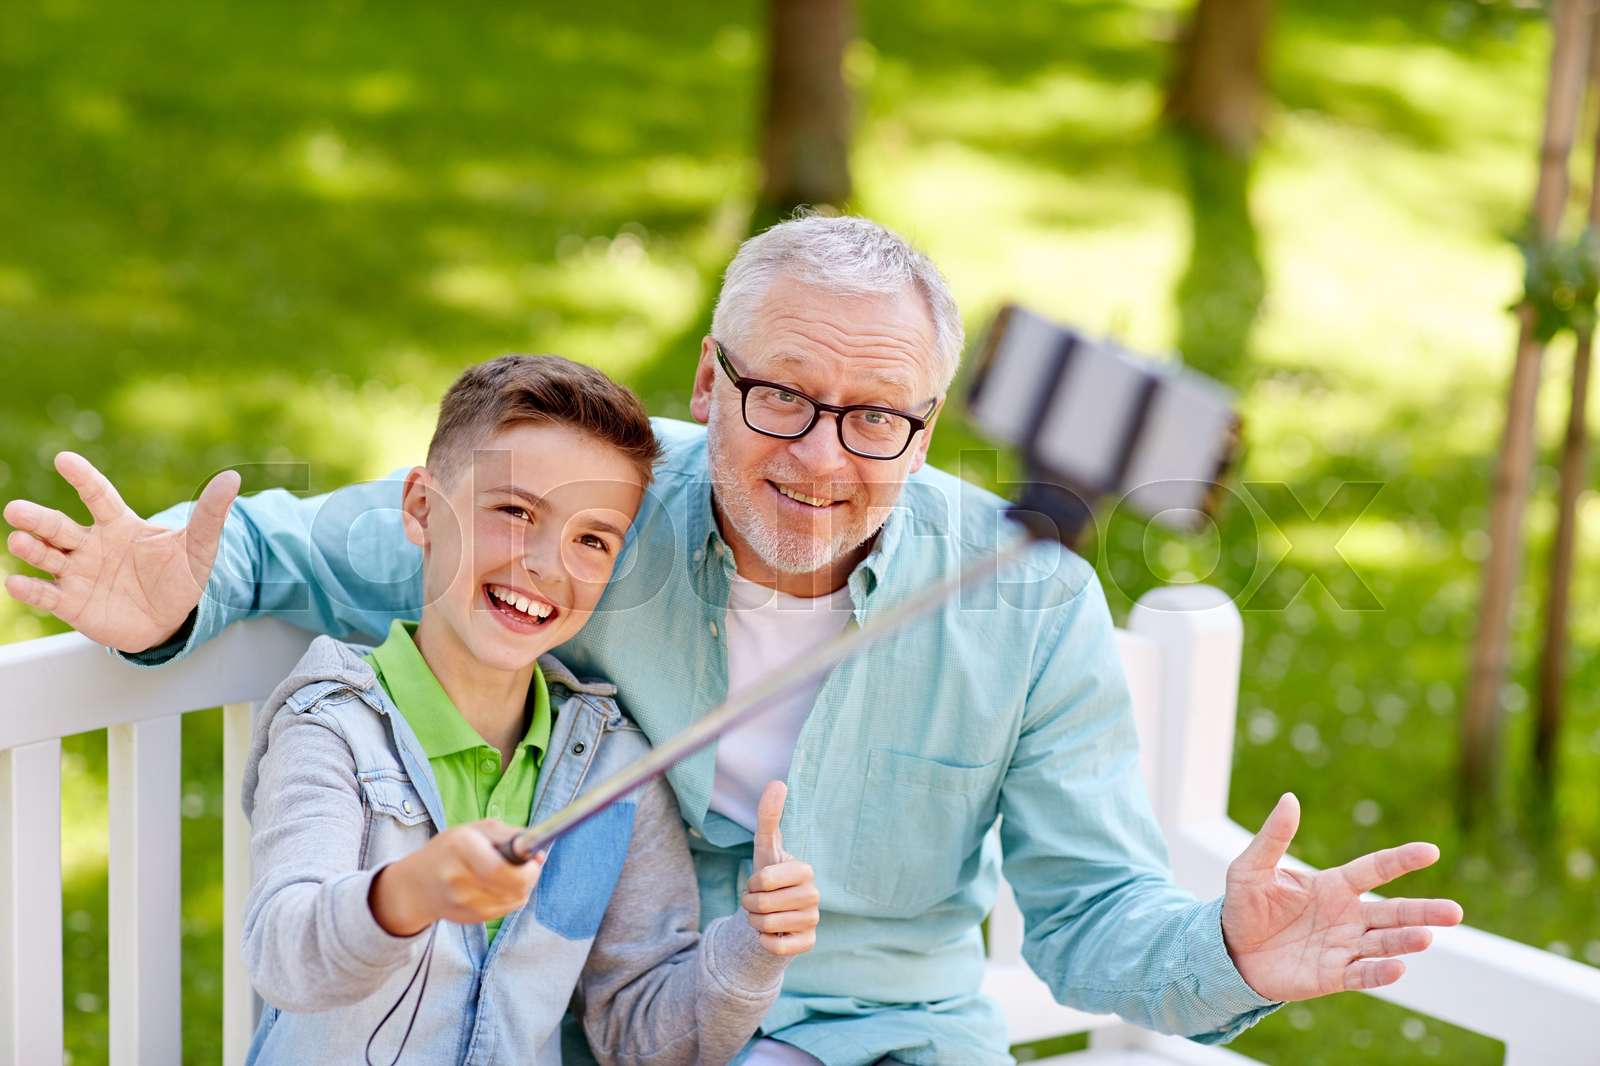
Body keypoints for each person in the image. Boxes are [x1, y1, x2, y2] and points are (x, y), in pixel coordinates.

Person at [3, 215, 1463, 1066]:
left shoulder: (1025, 597)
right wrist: (170, 601)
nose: (825, 457)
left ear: (931, 423)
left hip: (898, 1039)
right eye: (781, 397)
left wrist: (1233, 950)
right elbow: (297, 547)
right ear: (711, 376)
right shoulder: (594, 517)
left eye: (879, 416)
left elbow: (1087, 924)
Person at [230, 354, 817, 1064]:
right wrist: (407, 893)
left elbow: (644, 1039)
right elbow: (286, 951)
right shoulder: (334, 727)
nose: (546, 563)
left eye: (591, 540)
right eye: (515, 511)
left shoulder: (613, 772)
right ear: (422, 508)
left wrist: (751, 952)